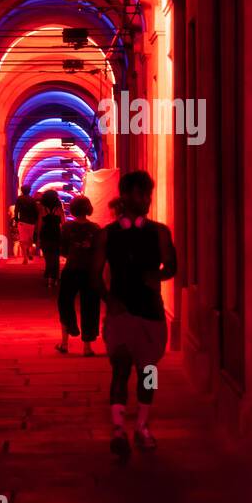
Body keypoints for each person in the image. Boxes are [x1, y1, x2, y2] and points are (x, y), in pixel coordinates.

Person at [91, 170, 176, 458]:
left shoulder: (160, 233)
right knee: (120, 368)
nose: (146, 200)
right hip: (122, 313)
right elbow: (94, 275)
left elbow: (172, 267)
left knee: (147, 373)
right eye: (142, 194)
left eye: (148, 194)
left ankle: (141, 425)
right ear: (126, 197)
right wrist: (108, 299)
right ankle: (118, 428)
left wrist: (158, 275)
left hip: (151, 314)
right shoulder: (108, 236)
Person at [55, 195, 101, 356]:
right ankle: (87, 347)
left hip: (71, 269)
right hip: (89, 272)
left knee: (65, 303)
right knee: (90, 307)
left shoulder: (67, 228)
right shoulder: (96, 229)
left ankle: (65, 342)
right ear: (88, 208)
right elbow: (99, 252)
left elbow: (62, 250)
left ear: (73, 209)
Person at [38, 189, 64, 290]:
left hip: (45, 235)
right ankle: (56, 278)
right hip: (56, 234)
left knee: (48, 258)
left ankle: (49, 279)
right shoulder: (59, 208)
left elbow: (40, 224)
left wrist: (38, 238)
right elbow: (63, 222)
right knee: (55, 257)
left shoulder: (42, 208)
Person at [13, 184, 39, 262]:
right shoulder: (32, 200)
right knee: (30, 239)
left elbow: (16, 210)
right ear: (30, 190)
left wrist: (16, 219)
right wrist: (35, 220)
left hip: (22, 221)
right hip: (31, 222)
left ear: (21, 190)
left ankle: (25, 257)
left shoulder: (19, 199)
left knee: (22, 239)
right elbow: (36, 211)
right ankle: (30, 251)